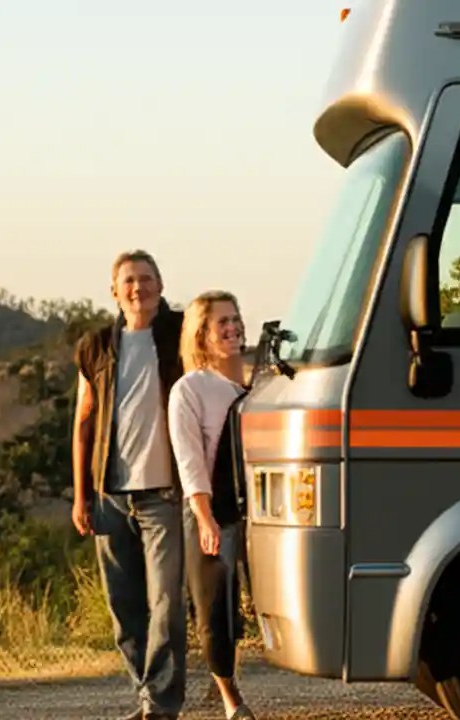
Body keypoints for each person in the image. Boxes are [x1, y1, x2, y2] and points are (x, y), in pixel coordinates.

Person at [72, 249, 186, 720]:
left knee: (166, 604)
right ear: (114, 291)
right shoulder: (96, 346)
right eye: (129, 281)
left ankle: (160, 704)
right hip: (110, 495)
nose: (139, 287)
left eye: (146, 278)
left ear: (160, 284)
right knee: (124, 607)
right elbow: (83, 422)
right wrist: (81, 494)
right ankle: (146, 694)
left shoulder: (182, 334)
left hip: (166, 493)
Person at [167, 290, 256, 720]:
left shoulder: (262, 383)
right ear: (201, 334)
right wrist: (204, 518)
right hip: (213, 511)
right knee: (214, 607)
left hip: (260, 512)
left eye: (235, 318)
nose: (232, 327)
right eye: (222, 322)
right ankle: (230, 696)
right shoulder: (190, 389)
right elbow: (190, 462)